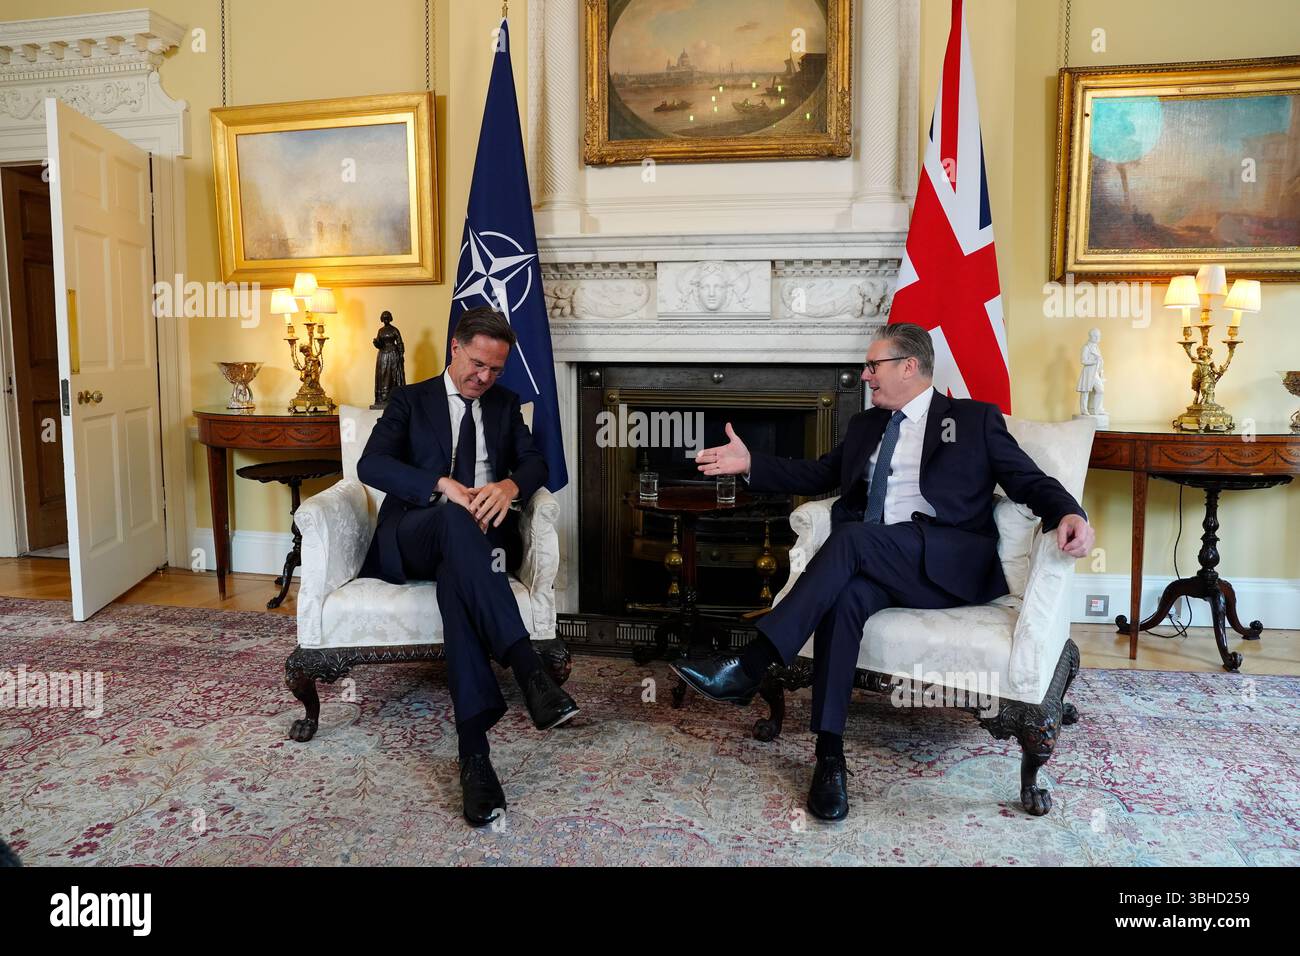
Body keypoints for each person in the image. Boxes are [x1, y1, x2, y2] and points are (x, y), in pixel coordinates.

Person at [678, 323, 1094, 821]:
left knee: (850, 538)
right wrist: (751, 464)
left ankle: (751, 665)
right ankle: (829, 757)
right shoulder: (866, 425)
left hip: (943, 565)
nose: (865, 375)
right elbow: (818, 474)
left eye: (874, 366)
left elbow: (1030, 481)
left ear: (909, 367)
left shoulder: (971, 421)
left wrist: (1071, 513)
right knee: (846, 597)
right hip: (875, 559)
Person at [357, 306, 578, 827]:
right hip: (415, 532)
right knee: (456, 520)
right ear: (455, 348)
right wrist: (442, 486)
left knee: (460, 591)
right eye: (477, 364)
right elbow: (372, 464)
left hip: (478, 549)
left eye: (496, 370)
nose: (484, 378)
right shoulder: (411, 400)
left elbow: (537, 463)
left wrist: (508, 486)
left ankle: (475, 757)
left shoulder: (505, 405)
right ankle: (528, 669)